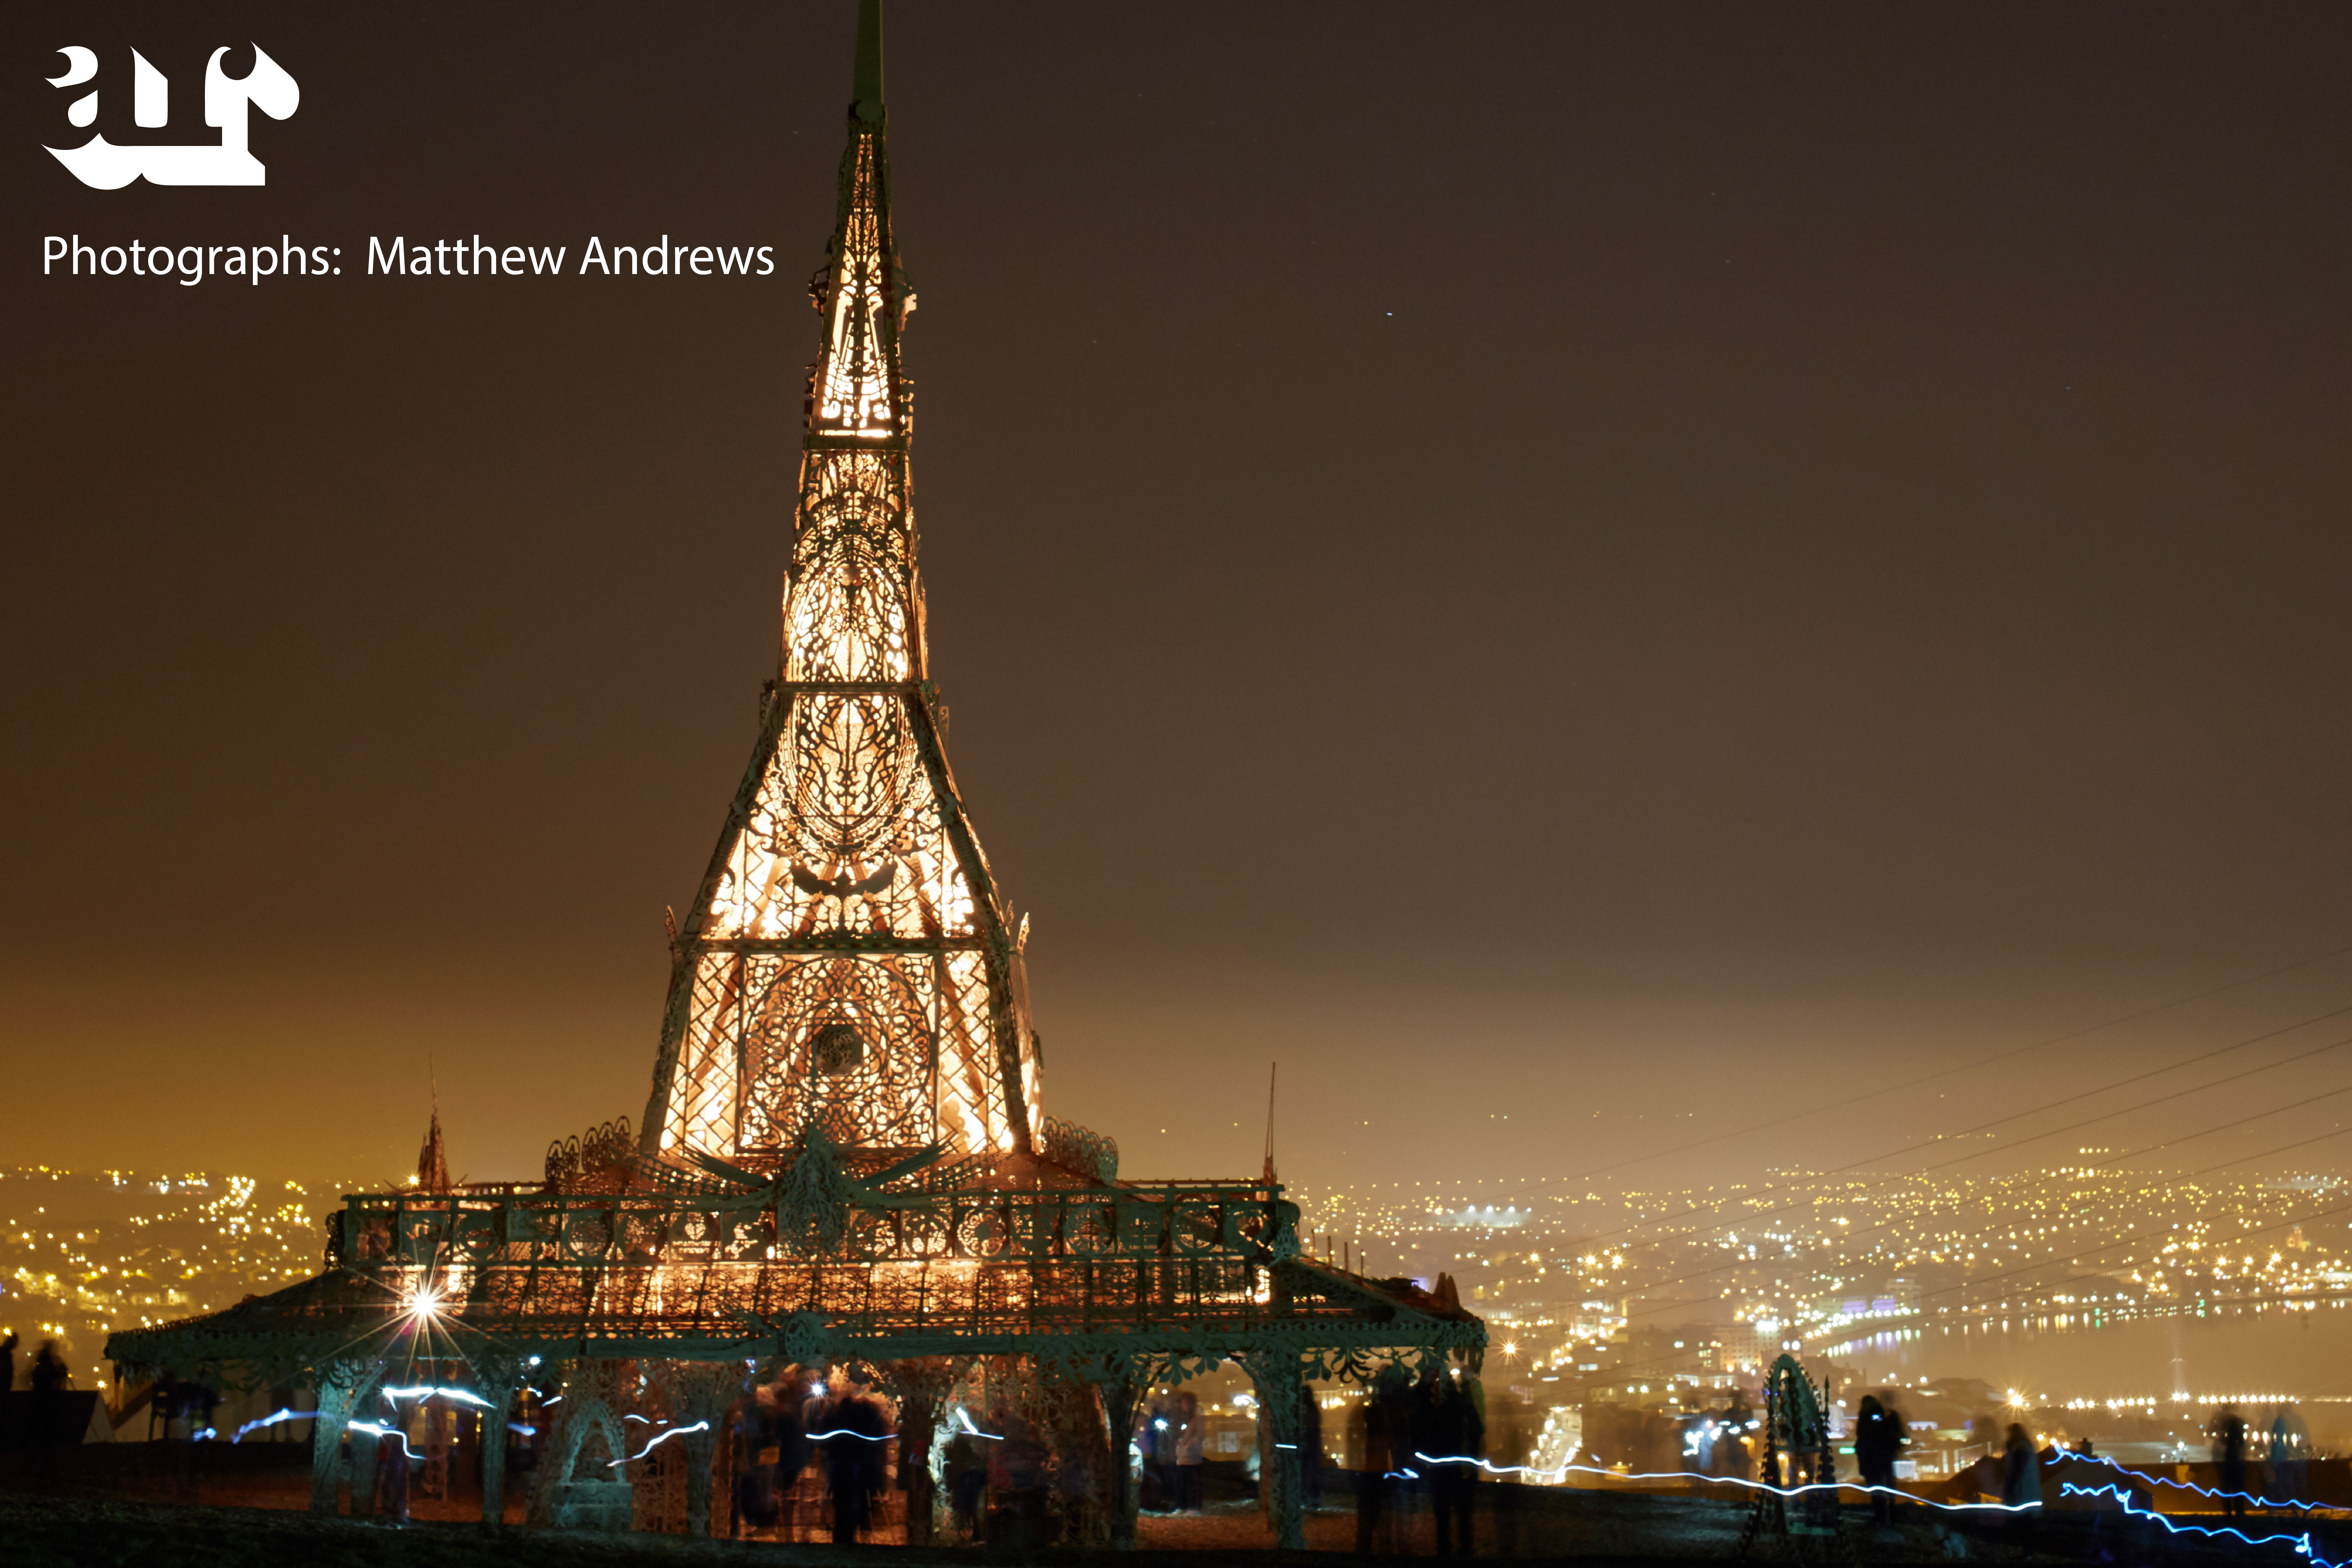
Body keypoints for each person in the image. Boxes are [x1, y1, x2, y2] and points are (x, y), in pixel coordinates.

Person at [821, 1367, 890, 1543]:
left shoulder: (836, 1414)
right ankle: (861, 1534)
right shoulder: (869, 1412)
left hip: (842, 1465)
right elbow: (879, 1439)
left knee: (843, 1506)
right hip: (862, 1463)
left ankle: (845, 1537)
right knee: (862, 1503)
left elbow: (824, 1439)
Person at [1421, 1370, 1484, 1557]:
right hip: (1463, 1470)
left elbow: (1430, 1440)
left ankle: (1444, 1550)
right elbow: (1477, 1434)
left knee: (1443, 1515)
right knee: (1464, 1514)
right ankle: (1466, 1549)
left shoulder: (1437, 1410)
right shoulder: (1466, 1408)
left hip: (1442, 1471)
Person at [1854, 1394, 1905, 1524]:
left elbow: (1865, 1436)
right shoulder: (1882, 1416)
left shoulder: (1868, 1417)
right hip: (1879, 1457)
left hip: (1872, 1459)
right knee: (1884, 1486)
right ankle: (1889, 1513)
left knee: (1876, 1488)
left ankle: (1881, 1515)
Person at [2000, 1423, 2040, 1547]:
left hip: (2022, 1491)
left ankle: (2027, 1551)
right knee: (2027, 1523)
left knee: (2023, 1523)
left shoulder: (2020, 1448)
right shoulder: (2026, 1446)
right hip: (2029, 1491)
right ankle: (2027, 1551)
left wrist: (2011, 1489)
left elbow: (2017, 1471)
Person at [2212, 1405, 2249, 1523]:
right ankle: (2240, 1513)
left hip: (2228, 1462)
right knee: (2239, 1490)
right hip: (2238, 1462)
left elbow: (2218, 1442)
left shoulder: (2224, 1426)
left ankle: (2228, 1514)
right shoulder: (2238, 1424)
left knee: (2226, 1490)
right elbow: (2243, 1444)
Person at [1171, 1390, 1205, 1514]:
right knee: (1182, 1482)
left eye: (1185, 1402)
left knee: (1191, 1483)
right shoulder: (1184, 1417)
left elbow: (1200, 1435)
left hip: (1192, 1457)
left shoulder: (1197, 1418)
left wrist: (1189, 1445)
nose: (1183, 1405)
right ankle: (1183, 1507)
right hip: (1183, 1457)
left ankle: (1193, 1507)